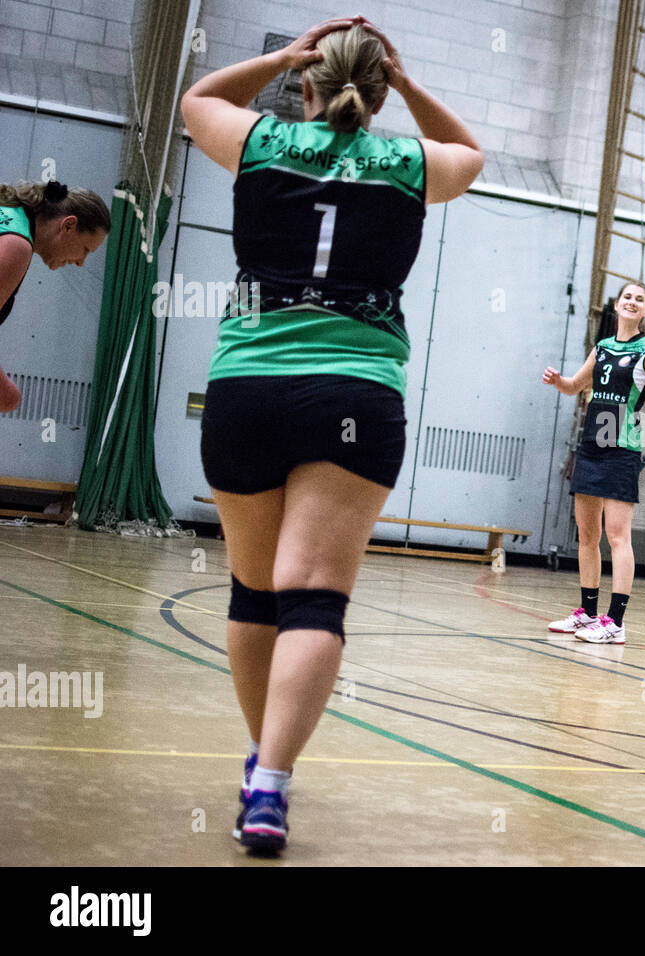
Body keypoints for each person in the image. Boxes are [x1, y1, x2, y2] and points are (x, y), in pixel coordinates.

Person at [181, 15, 482, 853]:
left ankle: (261, 759)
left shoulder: (262, 140)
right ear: (379, 96)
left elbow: (196, 99)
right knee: (314, 596)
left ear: (304, 86)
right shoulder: (409, 162)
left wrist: (281, 57)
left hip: (248, 387)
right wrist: (408, 84)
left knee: (254, 591)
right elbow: (471, 152)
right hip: (355, 393)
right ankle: (272, 784)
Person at [542, 280, 645, 644]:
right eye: (627, 297)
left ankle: (615, 622)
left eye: (639, 299)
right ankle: (588, 614)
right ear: (618, 305)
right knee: (587, 536)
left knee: (618, 536)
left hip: (622, 449)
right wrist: (558, 381)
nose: (632, 302)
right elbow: (574, 386)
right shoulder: (602, 347)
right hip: (592, 445)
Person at [0, 180, 110, 412]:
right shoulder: (16, 244)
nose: (81, 262)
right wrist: (7, 394)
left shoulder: (11, 215)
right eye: (85, 250)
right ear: (68, 225)